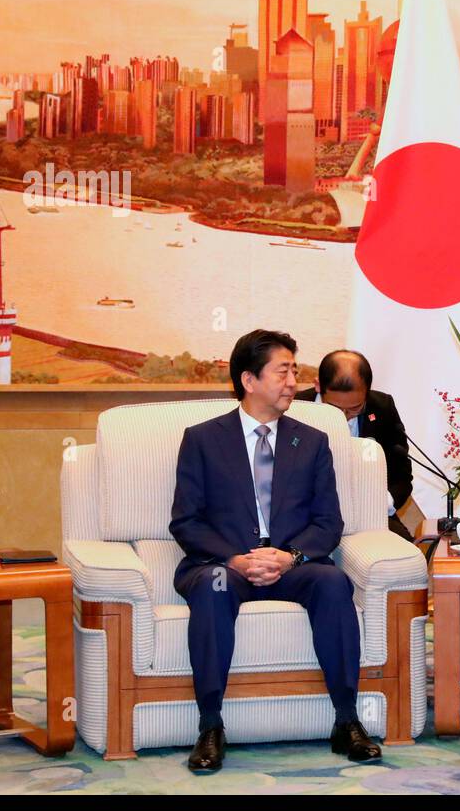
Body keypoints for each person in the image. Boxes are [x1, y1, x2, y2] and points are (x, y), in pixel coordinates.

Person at [170, 329, 381, 773]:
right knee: (213, 585)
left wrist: (291, 557)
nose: (293, 382)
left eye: (293, 371)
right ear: (249, 380)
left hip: (293, 565)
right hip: (225, 565)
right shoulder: (203, 440)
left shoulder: (312, 440)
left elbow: (329, 523)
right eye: (283, 371)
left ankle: (347, 720)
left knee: (333, 581)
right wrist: (235, 558)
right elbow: (186, 522)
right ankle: (210, 726)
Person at [300, 349, 418, 542]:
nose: (344, 416)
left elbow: (401, 474)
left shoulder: (382, 407)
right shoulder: (297, 406)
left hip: (369, 513)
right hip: (310, 515)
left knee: (406, 550)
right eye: (335, 408)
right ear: (318, 385)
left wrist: (381, 504)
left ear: (367, 391)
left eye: (355, 408)